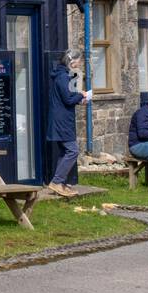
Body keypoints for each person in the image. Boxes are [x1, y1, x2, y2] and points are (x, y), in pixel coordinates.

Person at [46, 50, 92, 197]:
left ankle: (61, 183)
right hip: (62, 121)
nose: (79, 65)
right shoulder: (63, 77)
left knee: (64, 152)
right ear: (72, 62)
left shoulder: (65, 76)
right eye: (78, 62)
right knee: (72, 151)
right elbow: (68, 99)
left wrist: (80, 99)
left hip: (63, 119)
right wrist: (82, 94)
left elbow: (70, 98)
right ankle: (56, 182)